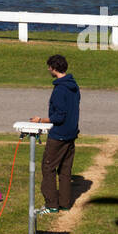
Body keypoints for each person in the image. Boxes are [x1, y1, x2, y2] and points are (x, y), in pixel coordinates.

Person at [32, 54, 80, 216]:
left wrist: (40, 120)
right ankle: (65, 204)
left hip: (59, 135)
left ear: (53, 68)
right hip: (71, 134)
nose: (48, 70)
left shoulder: (60, 89)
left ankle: (51, 204)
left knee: (48, 167)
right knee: (65, 170)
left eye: (49, 67)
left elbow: (59, 116)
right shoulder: (74, 85)